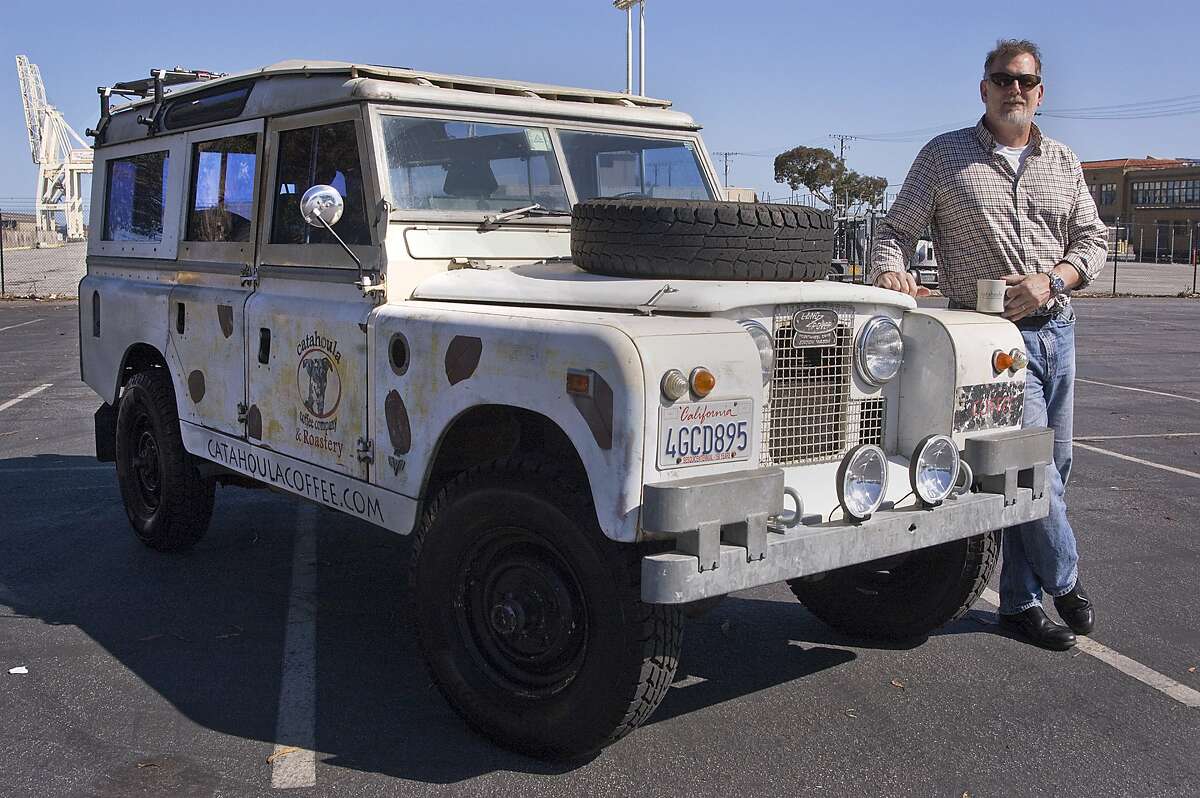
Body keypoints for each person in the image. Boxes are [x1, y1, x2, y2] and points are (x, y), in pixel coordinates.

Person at [869, 39, 1107, 651]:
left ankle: (1021, 604)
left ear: (1041, 91)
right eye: (1003, 79)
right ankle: (1067, 579)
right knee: (1029, 470)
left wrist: (1051, 279)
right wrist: (891, 271)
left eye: (1026, 80)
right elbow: (894, 231)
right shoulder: (945, 157)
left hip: (1058, 330)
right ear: (983, 88)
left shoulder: (1062, 160)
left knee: (1057, 467)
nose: (1015, 90)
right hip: (989, 344)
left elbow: (1094, 243)